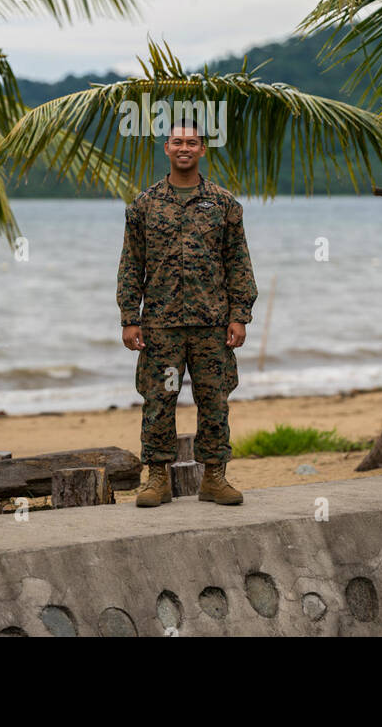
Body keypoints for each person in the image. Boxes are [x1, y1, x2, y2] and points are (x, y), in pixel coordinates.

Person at [117, 117, 258, 507]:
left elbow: (238, 263)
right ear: (166, 148)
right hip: (161, 326)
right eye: (177, 141)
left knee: (215, 400)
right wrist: (130, 317)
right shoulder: (144, 206)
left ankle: (214, 477)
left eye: (191, 142)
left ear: (202, 149)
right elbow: (131, 264)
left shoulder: (224, 204)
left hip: (212, 325)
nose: (184, 148)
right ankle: (156, 479)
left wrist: (239, 315)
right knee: (159, 399)